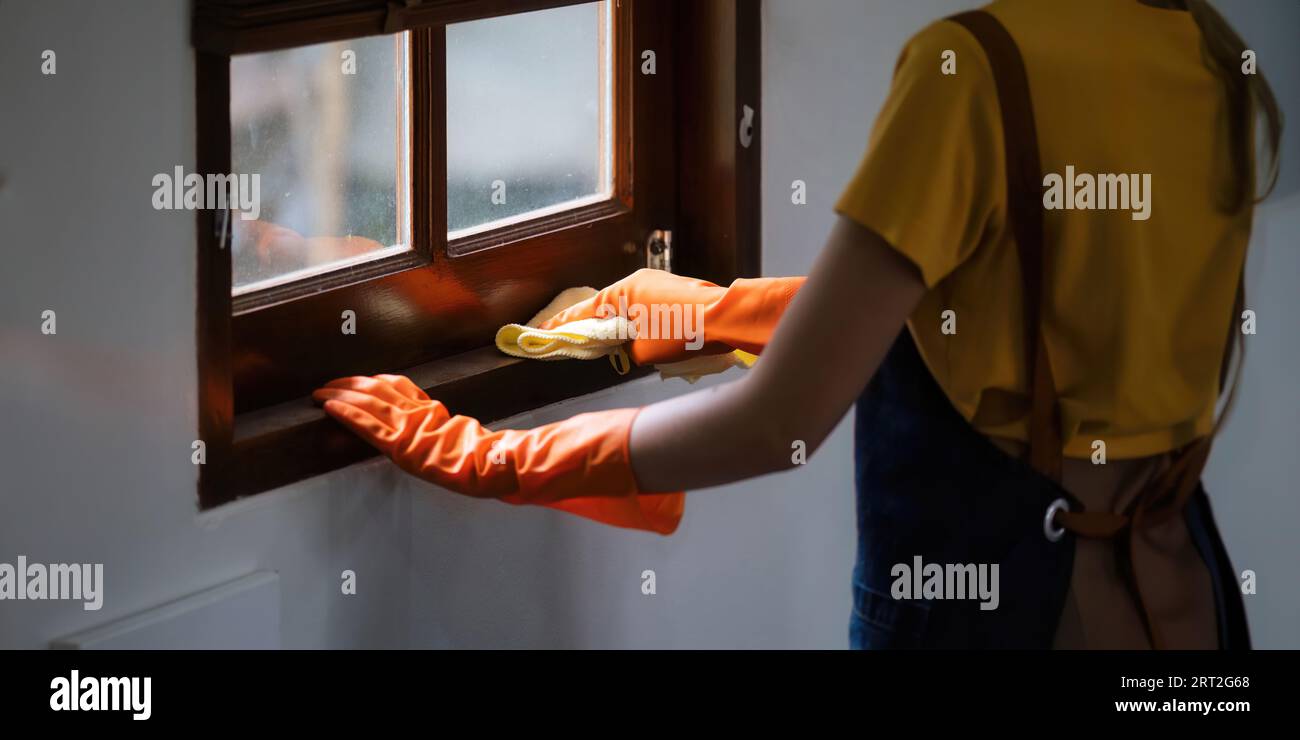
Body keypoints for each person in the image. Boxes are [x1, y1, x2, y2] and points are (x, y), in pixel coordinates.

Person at [312, 0, 1282, 649]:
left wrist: (497, 460)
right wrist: (708, 315)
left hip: (1015, 613)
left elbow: (777, 423)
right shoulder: (1208, 52)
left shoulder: (972, 71)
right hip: (1184, 602)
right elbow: (1018, 307)